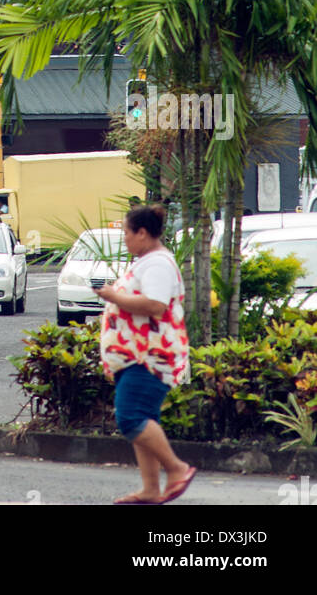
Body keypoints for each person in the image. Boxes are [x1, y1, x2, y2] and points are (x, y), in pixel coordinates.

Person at [94, 203, 196, 506]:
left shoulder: (158, 264)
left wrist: (113, 296)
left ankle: (176, 469)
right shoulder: (148, 262)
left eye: (126, 232)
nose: (124, 238)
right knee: (143, 418)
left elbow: (156, 304)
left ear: (142, 232)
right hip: (135, 356)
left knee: (131, 417)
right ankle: (151, 488)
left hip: (149, 357)